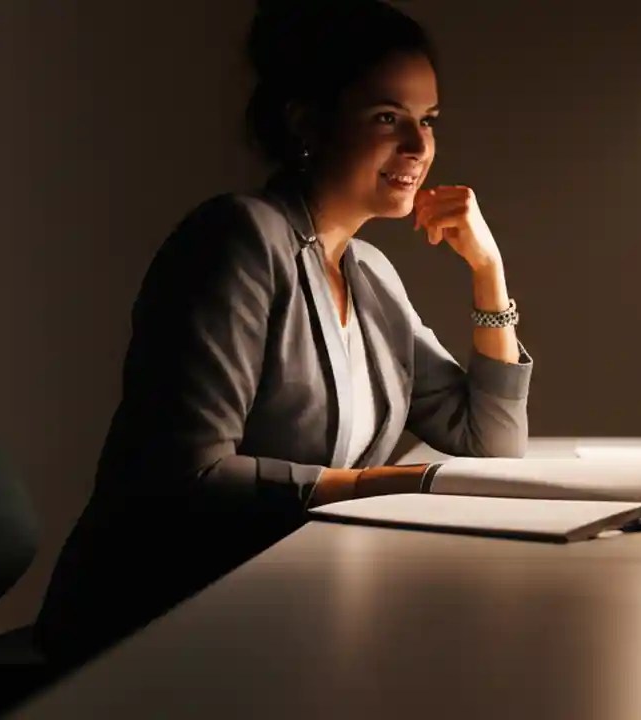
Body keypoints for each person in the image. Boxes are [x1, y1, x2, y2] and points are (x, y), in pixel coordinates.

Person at [34, 0, 532, 665]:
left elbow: (490, 441)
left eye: (428, 121)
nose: (418, 148)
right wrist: (383, 486)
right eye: (387, 118)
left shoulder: (372, 275)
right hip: (157, 622)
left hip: (282, 609)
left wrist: (487, 271)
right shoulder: (237, 238)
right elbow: (186, 477)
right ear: (307, 122)